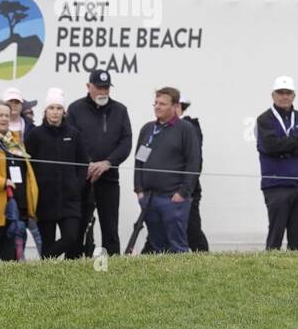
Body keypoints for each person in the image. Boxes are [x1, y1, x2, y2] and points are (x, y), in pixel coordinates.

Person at [68, 69, 132, 257]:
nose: (103, 92)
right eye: (99, 87)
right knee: (78, 229)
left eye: (106, 88)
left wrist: (108, 162)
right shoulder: (75, 109)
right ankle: (73, 270)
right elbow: (70, 141)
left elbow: (126, 141)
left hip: (109, 179)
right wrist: (87, 164)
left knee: (110, 229)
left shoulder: (120, 110)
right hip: (83, 180)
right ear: (89, 87)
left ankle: (110, 273)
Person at [133, 87, 201, 254]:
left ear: (175, 106)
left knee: (177, 246)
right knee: (157, 247)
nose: (157, 107)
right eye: (155, 103)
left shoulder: (186, 129)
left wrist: (183, 193)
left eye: (162, 104)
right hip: (149, 198)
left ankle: (183, 279)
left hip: (173, 199)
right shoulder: (148, 129)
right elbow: (139, 160)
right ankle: (161, 280)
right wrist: (139, 190)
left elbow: (193, 163)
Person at [256, 76, 298, 250]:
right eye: (280, 93)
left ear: (294, 96)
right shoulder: (264, 119)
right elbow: (270, 146)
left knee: (297, 236)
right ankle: (269, 269)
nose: (284, 96)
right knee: (276, 233)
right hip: (276, 184)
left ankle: (295, 273)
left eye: (288, 93)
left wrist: (286, 147)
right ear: (273, 95)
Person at [24, 87, 88, 258]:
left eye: (59, 108)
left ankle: (44, 263)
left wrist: (77, 185)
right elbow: (27, 166)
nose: (55, 112)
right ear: (45, 111)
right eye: (51, 108)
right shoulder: (35, 135)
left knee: (71, 237)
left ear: (64, 111)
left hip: (70, 199)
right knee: (47, 243)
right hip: (45, 200)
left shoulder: (74, 135)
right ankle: (47, 276)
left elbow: (83, 164)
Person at [0, 99, 37, 264]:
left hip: (16, 206)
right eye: (0, 115)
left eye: (7, 115)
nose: (4, 118)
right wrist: (2, 182)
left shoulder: (14, 142)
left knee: (10, 257)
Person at [177, 95, 209, 251]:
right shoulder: (157, 128)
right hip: (163, 191)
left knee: (192, 230)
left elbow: (194, 162)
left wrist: (185, 188)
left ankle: (205, 263)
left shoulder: (190, 127)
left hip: (187, 190)